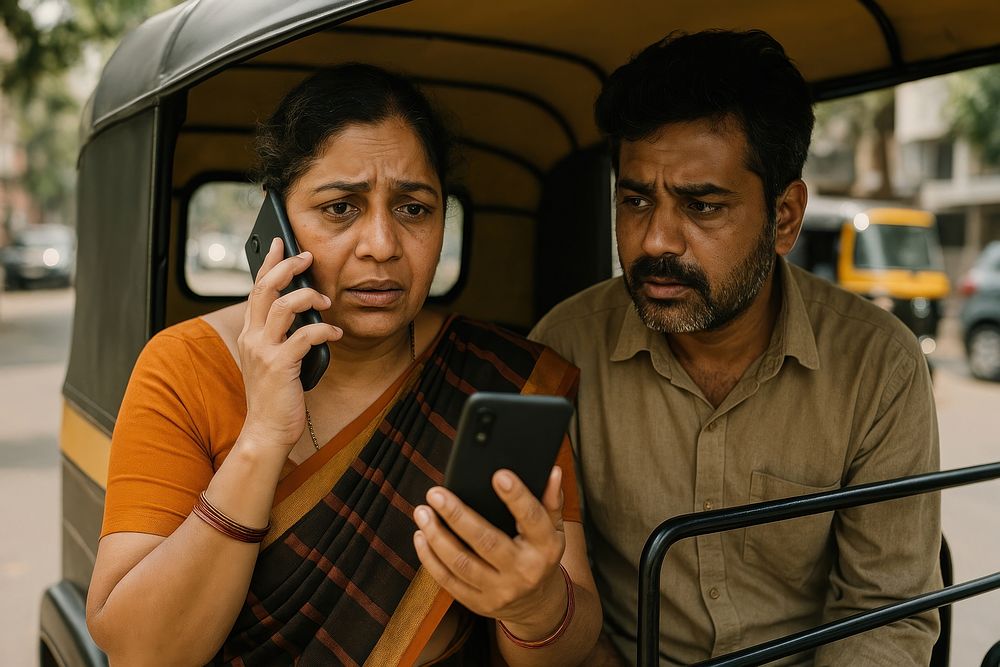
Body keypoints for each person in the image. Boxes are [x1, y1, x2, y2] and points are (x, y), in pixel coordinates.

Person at [86, 63, 601, 666]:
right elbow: (141, 652)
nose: (381, 244)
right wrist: (262, 439)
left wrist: (534, 605)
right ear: (274, 221)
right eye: (340, 208)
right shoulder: (186, 368)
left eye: (413, 209)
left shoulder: (503, 379)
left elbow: (564, 645)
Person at [530, 31, 941, 665]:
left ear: (785, 217)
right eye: (636, 200)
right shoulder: (562, 349)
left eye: (702, 206)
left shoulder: (878, 365)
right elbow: (553, 595)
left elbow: (885, 616)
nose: (656, 240)